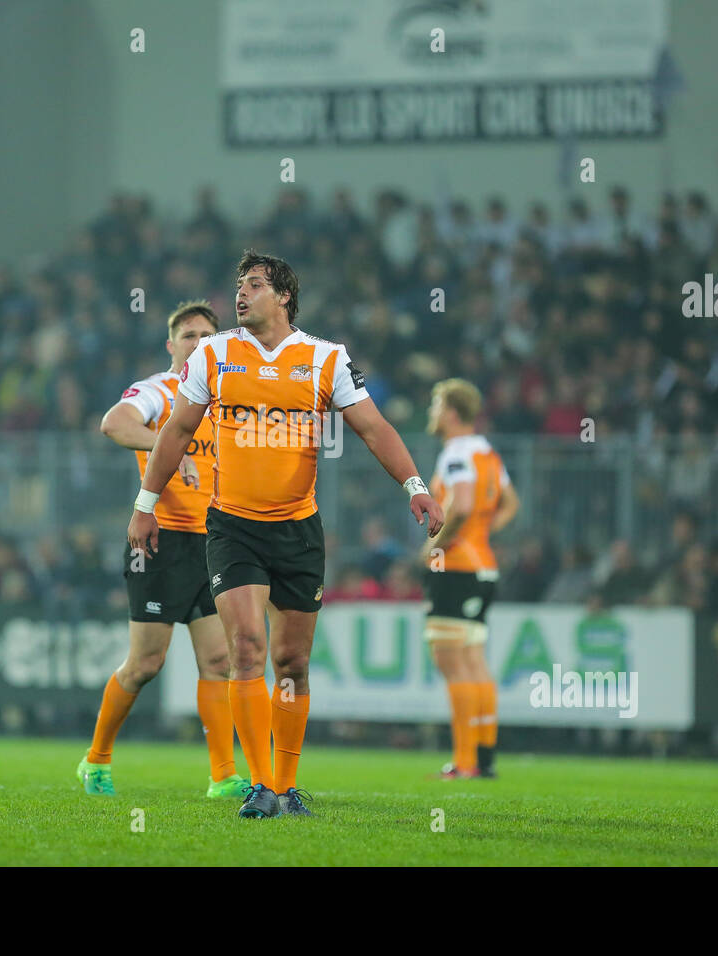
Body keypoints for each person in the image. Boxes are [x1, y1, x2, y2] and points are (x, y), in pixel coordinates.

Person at [126, 251, 444, 818]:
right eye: (239, 286)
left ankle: (287, 785)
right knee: (246, 648)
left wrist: (414, 485)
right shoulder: (215, 353)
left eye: (253, 285)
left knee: (292, 662)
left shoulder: (326, 359)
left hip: (298, 530)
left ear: (284, 297)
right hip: (231, 527)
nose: (240, 295)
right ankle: (260, 785)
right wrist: (145, 505)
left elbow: (373, 428)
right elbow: (175, 430)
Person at [78, 301, 248, 799]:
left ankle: (223, 776)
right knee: (146, 665)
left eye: (207, 336)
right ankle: (97, 760)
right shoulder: (160, 390)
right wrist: (164, 447)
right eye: (188, 335)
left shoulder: (226, 400)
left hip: (214, 542)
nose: (198, 343)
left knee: (218, 662)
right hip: (159, 542)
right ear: (171, 345)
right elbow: (114, 423)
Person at [421, 378, 517, 779]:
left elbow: (459, 504)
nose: (433, 412)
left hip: (456, 567)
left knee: (452, 662)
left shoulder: (457, 452)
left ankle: (464, 762)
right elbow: (511, 503)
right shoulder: (487, 452)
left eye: (437, 404)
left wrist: (436, 545)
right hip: (483, 565)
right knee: (475, 662)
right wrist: (481, 534)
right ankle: (484, 757)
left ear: (453, 412)